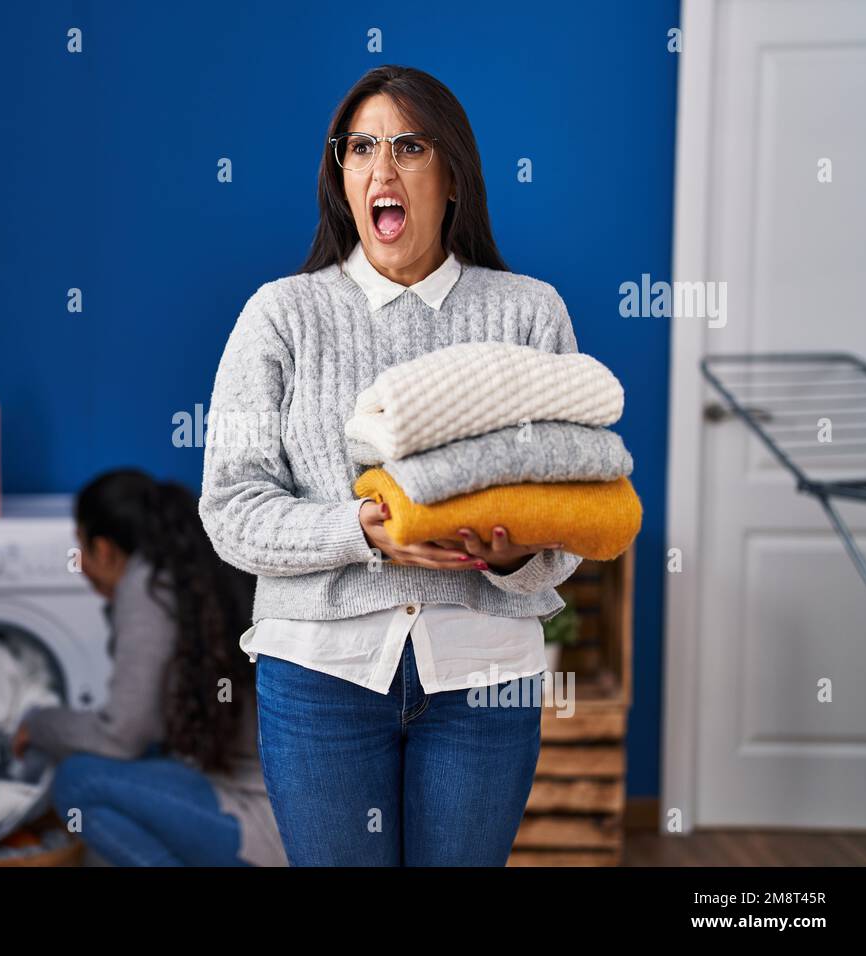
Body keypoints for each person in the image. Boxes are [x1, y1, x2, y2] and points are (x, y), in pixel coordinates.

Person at [198, 65, 585, 866]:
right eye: (360, 147)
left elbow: (572, 514)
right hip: (319, 677)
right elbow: (231, 508)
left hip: (484, 677)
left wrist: (515, 551)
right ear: (340, 177)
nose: (382, 169)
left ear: (453, 176)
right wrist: (363, 532)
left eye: (409, 146)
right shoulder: (280, 315)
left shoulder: (529, 312)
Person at [13, 469, 288, 867]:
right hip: (281, 811)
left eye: (82, 551)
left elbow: (121, 736)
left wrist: (37, 724)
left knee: (78, 780)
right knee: (125, 779)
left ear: (104, 549)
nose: (83, 567)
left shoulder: (146, 587)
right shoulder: (199, 567)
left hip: (260, 822)